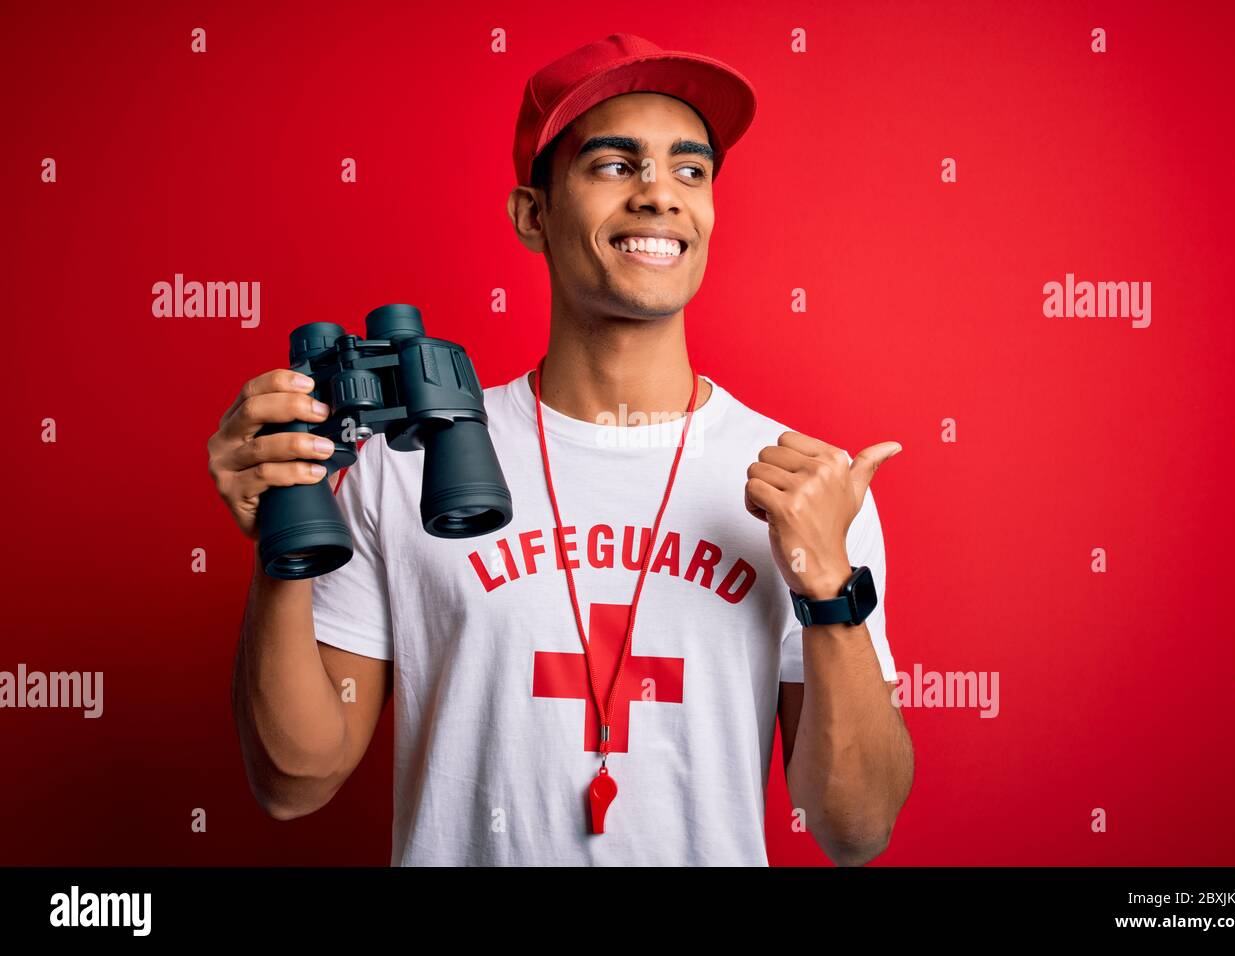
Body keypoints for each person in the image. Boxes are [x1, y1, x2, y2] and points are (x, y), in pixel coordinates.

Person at [208, 33, 913, 866]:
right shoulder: (409, 464)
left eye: (691, 170)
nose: (660, 195)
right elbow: (295, 782)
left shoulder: (807, 490)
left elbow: (856, 829)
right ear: (532, 215)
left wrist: (829, 590)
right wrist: (282, 536)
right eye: (614, 165)